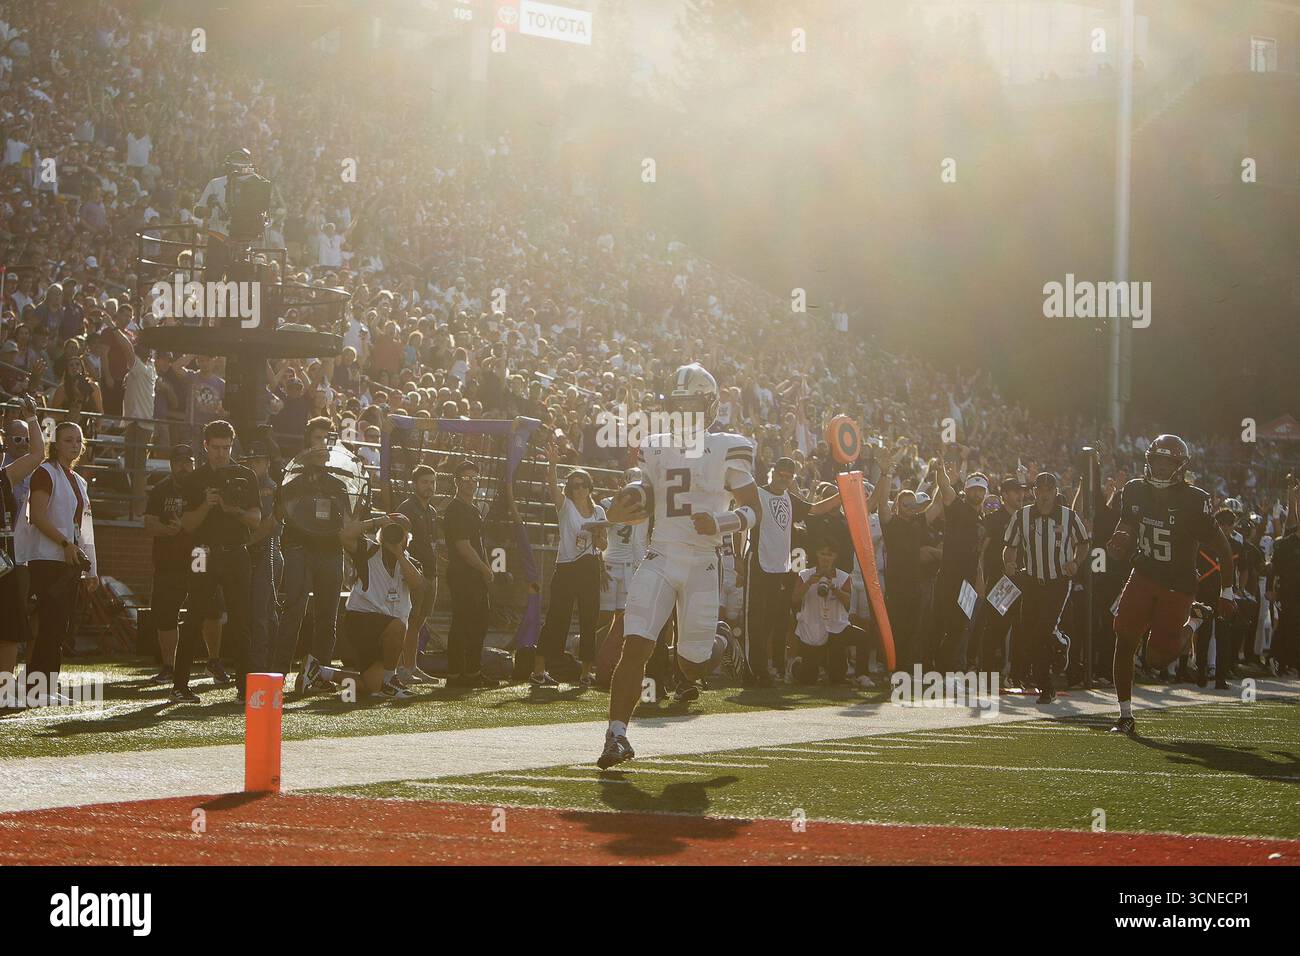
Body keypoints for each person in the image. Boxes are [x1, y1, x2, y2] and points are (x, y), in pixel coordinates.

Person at [599, 363, 759, 768]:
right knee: (635, 643)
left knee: (692, 664)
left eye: (692, 404)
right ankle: (616, 736)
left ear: (710, 406)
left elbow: (754, 510)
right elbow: (645, 499)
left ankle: (723, 642)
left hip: (704, 560)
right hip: (661, 553)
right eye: (679, 404)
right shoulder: (654, 445)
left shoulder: (727, 446)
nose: (685, 412)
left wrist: (721, 522)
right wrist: (626, 505)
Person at [1105, 435, 1237, 735]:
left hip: (1178, 585)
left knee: (1156, 659)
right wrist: (1121, 538)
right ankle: (1125, 715)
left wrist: (1227, 591)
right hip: (1144, 574)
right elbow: (1126, 523)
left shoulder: (1194, 501)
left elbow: (1223, 549)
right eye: (1157, 462)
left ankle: (1193, 622)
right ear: (1149, 461)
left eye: (1169, 463)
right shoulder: (1136, 489)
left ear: (1180, 467)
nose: (1162, 469)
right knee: (1124, 638)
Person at [174, 420, 260, 704]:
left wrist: (231, 509)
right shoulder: (193, 479)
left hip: (236, 551)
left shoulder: (245, 475)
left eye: (226, 447)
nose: (221, 454)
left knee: (242, 620)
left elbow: (256, 519)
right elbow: (186, 524)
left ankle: (244, 687)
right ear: (206, 446)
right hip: (202, 551)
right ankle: (180, 686)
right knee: (194, 614)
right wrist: (206, 504)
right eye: (216, 448)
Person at [15, 420, 98, 703]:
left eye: (78, 440)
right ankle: (39, 687)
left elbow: (84, 528)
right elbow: (36, 516)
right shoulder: (45, 472)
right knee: (49, 623)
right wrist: (65, 544)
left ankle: (45, 685)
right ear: (55, 443)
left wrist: (92, 571)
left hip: (68, 561)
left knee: (59, 625)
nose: (74, 445)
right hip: (47, 558)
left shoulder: (79, 480)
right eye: (67, 440)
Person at [742, 455, 841, 686]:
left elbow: (815, 509)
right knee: (753, 619)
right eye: (780, 474)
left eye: (788, 476)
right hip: (758, 562)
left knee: (769, 619)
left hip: (778, 566)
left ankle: (761, 668)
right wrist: (739, 558)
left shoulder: (789, 497)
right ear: (773, 472)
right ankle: (751, 669)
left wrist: (842, 495)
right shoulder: (757, 493)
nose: (783, 479)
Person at [1001, 472, 1090, 704]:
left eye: (1049, 490)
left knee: (1041, 631)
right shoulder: (1022, 516)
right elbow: (1009, 546)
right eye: (1039, 490)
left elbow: (1084, 543)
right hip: (1031, 582)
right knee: (1029, 636)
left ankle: (1058, 642)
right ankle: (1045, 684)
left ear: (1055, 493)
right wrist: (1008, 563)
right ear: (1034, 492)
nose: (1044, 495)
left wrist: (1075, 562)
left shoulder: (1068, 517)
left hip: (1057, 582)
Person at [143, 444, 228, 685]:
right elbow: (149, 524)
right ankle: (169, 666)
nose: (184, 467)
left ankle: (214, 661)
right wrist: (168, 530)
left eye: (188, 462)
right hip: (169, 561)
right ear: (171, 464)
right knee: (166, 614)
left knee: (212, 608)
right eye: (179, 462)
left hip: (199, 557)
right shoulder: (161, 490)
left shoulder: (203, 486)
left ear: (194, 463)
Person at [277, 417, 346, 694]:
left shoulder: (340, 482)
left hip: (331, 552)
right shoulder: (292, 478)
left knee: (328, 617)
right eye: (317, 439)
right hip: (298, 550)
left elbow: (347, 522)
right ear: (307, 442)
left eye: (326, 440)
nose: (321, 446)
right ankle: (277, 675)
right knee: (293, 612)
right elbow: (281, 513)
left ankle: (318, 675)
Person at [533, 438, 606, 688]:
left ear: (589, 486)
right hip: (566, 566)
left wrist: (597, 535)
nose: (579, 489)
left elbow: (603, 546)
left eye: (583, 484)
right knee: (557, 618)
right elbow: (553, 487)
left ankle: (586, 671)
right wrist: (552, 465)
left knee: (589, 618)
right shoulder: (565, 507)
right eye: (574, 485)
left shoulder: (599, 512)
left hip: (590, 566)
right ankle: (539, 669)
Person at [341, 512, 424, 699]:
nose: (394, 535)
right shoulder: (367, 549)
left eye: (399, 532)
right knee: (397, 625)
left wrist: (399, 554)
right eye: (390, 530)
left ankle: (320, 672)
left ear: (407, 537)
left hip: (386, 631)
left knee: (371, 686)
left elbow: (417, 585)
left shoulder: (409, 561)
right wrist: (377, 521)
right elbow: (344, 535)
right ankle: (390, 680)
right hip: (362, 620)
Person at [0, 397, 47, 685]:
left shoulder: (4, 477)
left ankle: (3, 690)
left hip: (4, 563)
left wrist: (32, 420)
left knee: (7, 628)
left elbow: (38, 454)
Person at [443, 458, 500, 688]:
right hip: (462, 573)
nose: (471, 483)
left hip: (474, 574)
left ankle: (472, 671)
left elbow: (479, 544)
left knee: (479, 622)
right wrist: (484, 568)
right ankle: (457, 674)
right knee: (462, 623)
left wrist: (485, 570)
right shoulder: (456, 509)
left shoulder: (474, 509)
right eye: (466, 478)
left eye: (475, 478)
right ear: (457, 481)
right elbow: (463, 546)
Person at [790, 540, 870, 684]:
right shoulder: (805, 574)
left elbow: (847, 601)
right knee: (808, 679)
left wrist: (834, 589)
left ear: (835, 557)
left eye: (830, 554)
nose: (826, 558)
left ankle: (861, 674)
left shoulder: (843, 577)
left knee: (862, 638)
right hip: (813, 629)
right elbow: (795, 599)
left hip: (836, 628)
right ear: (817, 555)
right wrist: (809, 583)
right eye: (822, 554)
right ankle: (797, 666)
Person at [395, 464, 440, 686]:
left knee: (419, 622)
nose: (429, 486)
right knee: (409, 621)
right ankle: (402, 667)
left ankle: (411, 666)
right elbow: (397, 542)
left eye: (432, 482)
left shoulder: (432, 511)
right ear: (415, 484)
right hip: (413, 573)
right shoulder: (407, 508)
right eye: (425, 482)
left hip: (431, 572)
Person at [244, 441, 280, 673]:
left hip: (266, 550)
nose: (254, 466)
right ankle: (257, 659)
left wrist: (244, 542)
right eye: (251, 461)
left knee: (261, 612)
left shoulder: (271, 488)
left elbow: (267, 526)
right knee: (257, 611)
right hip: (249, 552)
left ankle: (260, 663)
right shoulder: (244, 484)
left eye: (258, 461)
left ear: (267, 463)